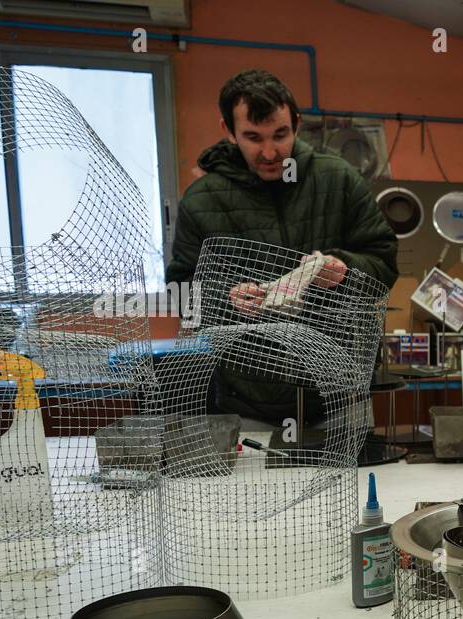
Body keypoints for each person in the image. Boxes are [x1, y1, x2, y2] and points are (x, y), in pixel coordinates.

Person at [165, 69, 398, 422]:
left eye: (280, 134)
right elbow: (180, 294)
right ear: (228, 130)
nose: (271, 152)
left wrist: (345, 272)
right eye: (253, 137)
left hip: (339, 396)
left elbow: (384, 261)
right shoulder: (201, 201)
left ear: (297, 124)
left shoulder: (339, 180)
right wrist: (225, 298)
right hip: (246, 402)